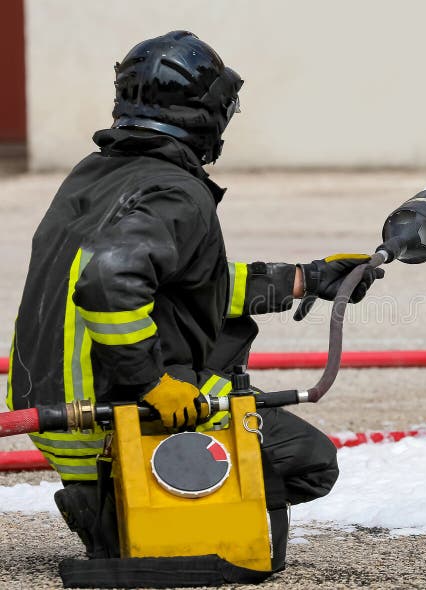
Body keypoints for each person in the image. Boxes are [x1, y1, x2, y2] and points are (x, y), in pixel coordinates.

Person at [6, 30, 383, 568]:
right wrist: (151, 383)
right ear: (206, 115)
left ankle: (108, 503)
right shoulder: (176, 190)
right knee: (309, 462)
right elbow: (110, 283)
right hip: (110, 409)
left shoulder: (96, 175)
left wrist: (305, 278)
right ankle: (142, 513)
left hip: (50, 407)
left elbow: (187, 283)